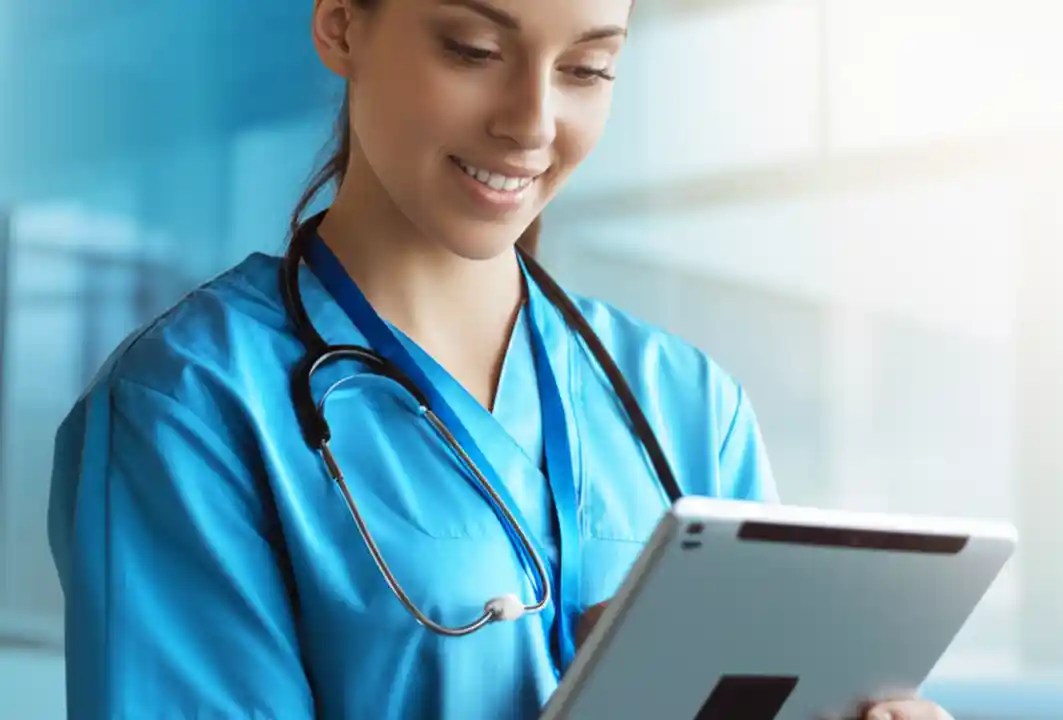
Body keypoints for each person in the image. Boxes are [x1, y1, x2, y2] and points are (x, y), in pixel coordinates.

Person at [46, 1, 955, 718]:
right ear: (341, 24)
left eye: (588, 69)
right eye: (474, 49)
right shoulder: (190, 408)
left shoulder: (685, 402)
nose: (532, 122)